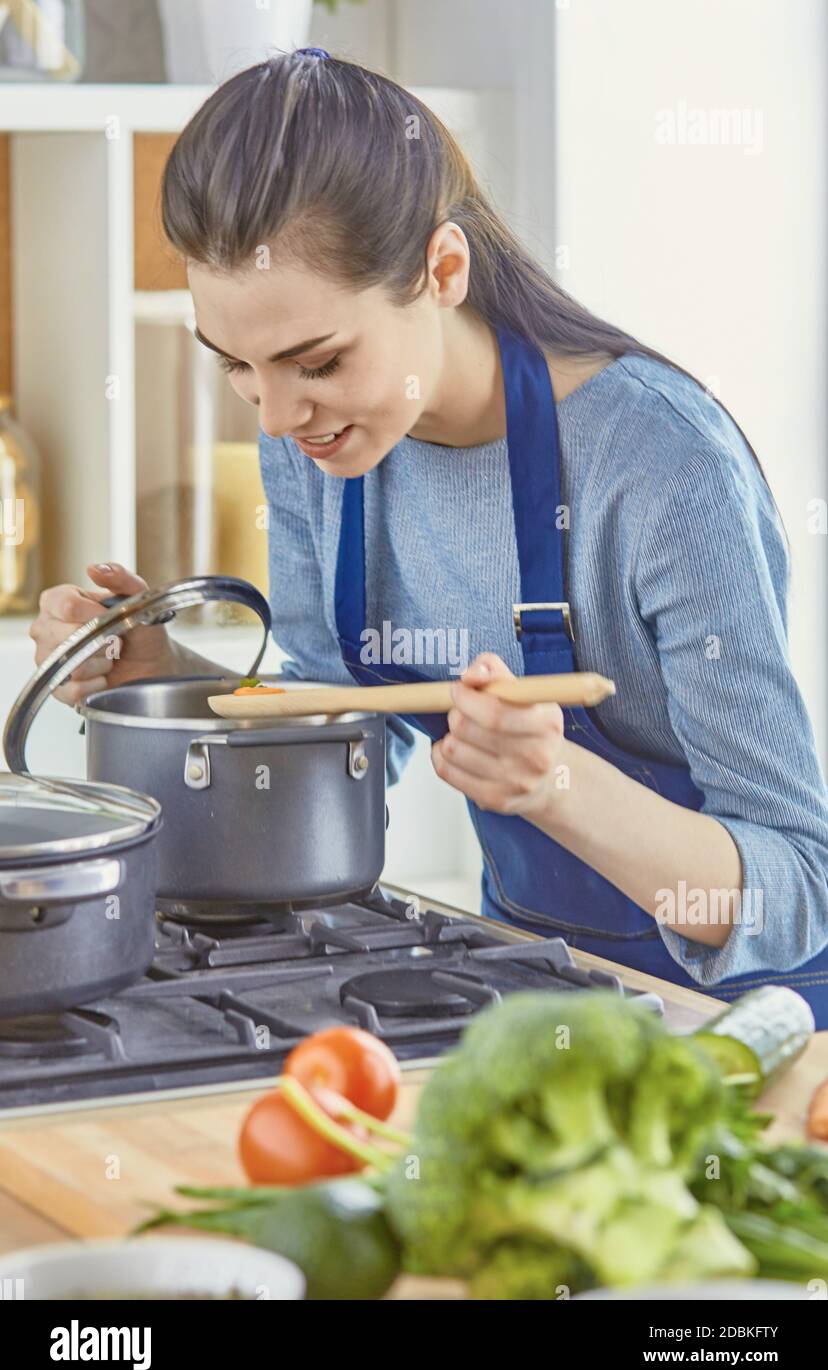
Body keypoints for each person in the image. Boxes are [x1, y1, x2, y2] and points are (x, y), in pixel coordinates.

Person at [29, 49, 828, 1020]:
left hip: (746, 1038)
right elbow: (336, 729)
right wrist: (160, 670)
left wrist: (557, 783)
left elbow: (801, 887)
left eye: (315, 360)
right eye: (237, 365)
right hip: (531, 998)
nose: (277, 415)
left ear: (442, 269)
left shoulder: (660, 466)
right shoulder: (327, 443)